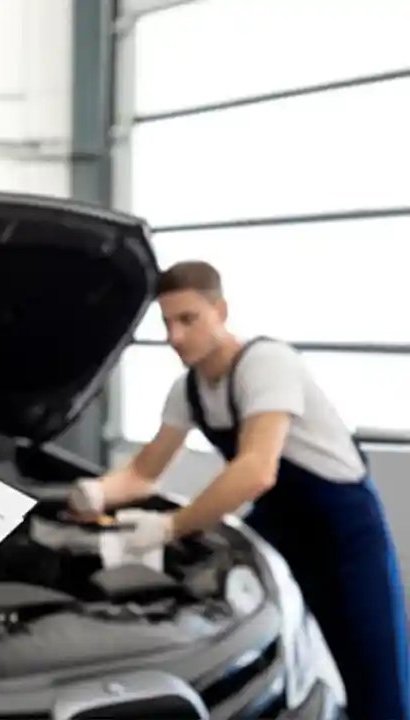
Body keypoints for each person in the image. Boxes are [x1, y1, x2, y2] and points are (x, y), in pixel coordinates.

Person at [69, 260, 408, 720]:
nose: (175, 336)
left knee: (377, 675)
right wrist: (94, 494)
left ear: (221, 310)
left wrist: (170, 527)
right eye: (167, 323)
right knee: (275, 649)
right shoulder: (186, 390)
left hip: (343, 529)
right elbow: (144, 473)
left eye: (188, 319)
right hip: (279, 524)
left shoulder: (267, 363)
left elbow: (255, 469)